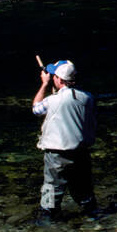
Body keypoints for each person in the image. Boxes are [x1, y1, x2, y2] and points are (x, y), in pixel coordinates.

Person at [31, 59, 98, 222]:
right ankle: (94, 221)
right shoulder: (88, 97)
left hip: (56, 155)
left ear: (59, 80)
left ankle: (47, 221)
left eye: (54, 76)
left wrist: (44, 84)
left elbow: (36, 109)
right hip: (81, 153)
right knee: (84, 190)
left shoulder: (53, 100)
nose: (52, 77)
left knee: (50, 189)